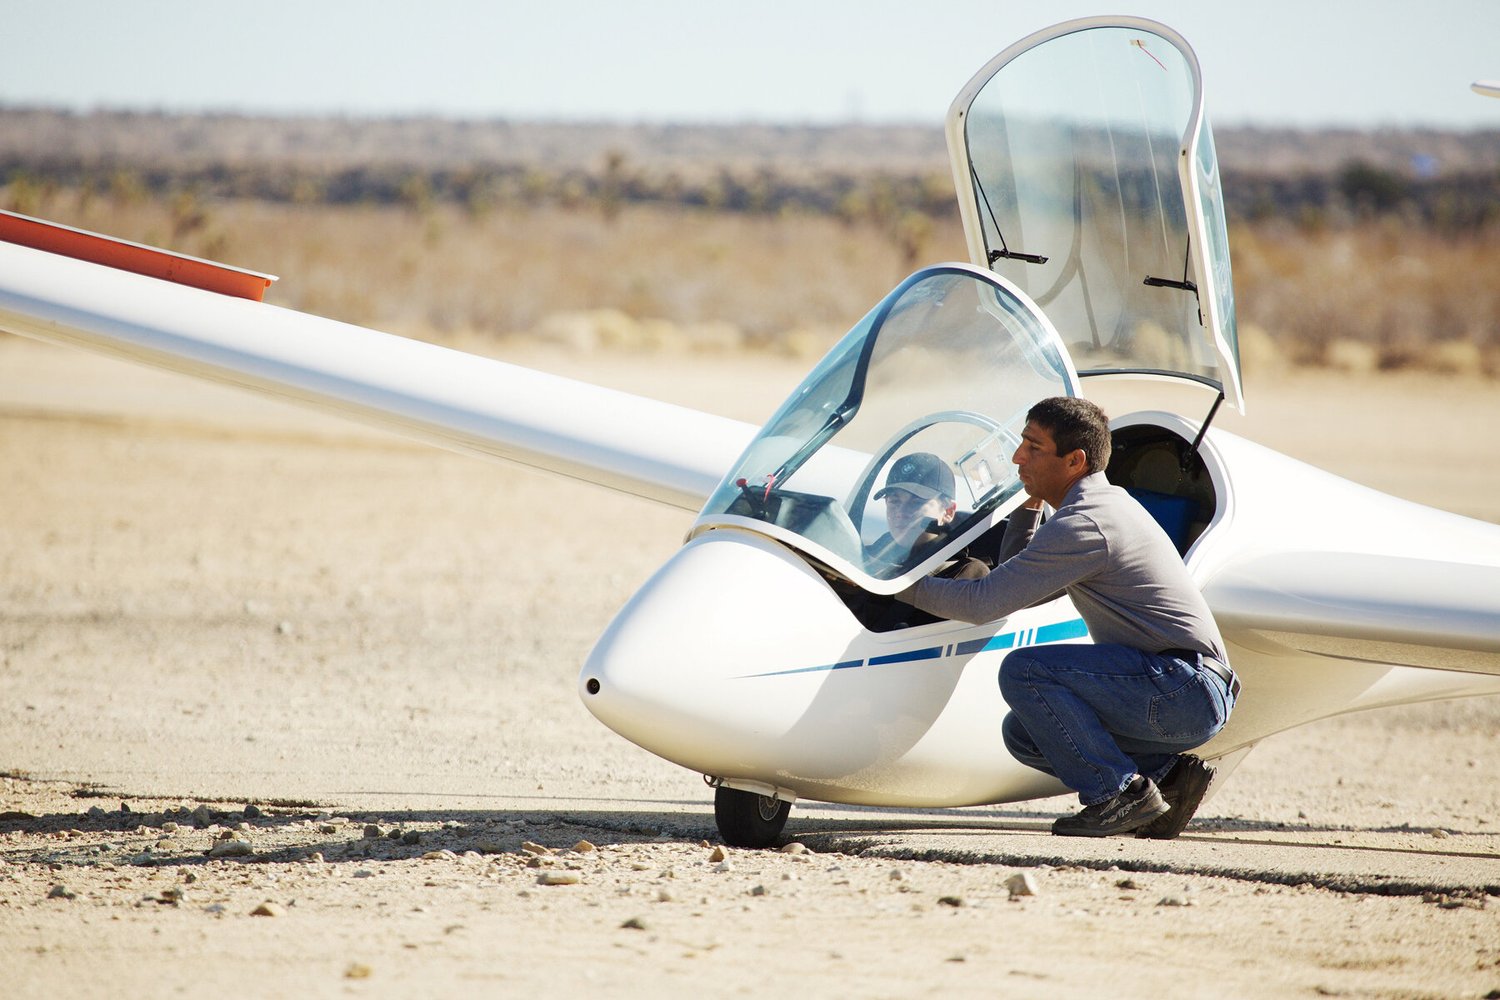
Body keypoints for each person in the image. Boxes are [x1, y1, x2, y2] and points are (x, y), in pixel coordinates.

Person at [898, 397, 1237, 838]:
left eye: (1033, 448)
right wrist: (1030, 504)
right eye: (1021, 443)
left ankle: (1117, 797)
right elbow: (1020, 585)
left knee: (1025, 671)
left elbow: (984, 603)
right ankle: (1168, 780)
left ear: (1074, 460)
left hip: (1181, 688)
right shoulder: (1098, 510)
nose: (1018, 457)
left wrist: (891, 584)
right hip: (1180, 687)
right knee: (1025, 733)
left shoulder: (1087, 524)